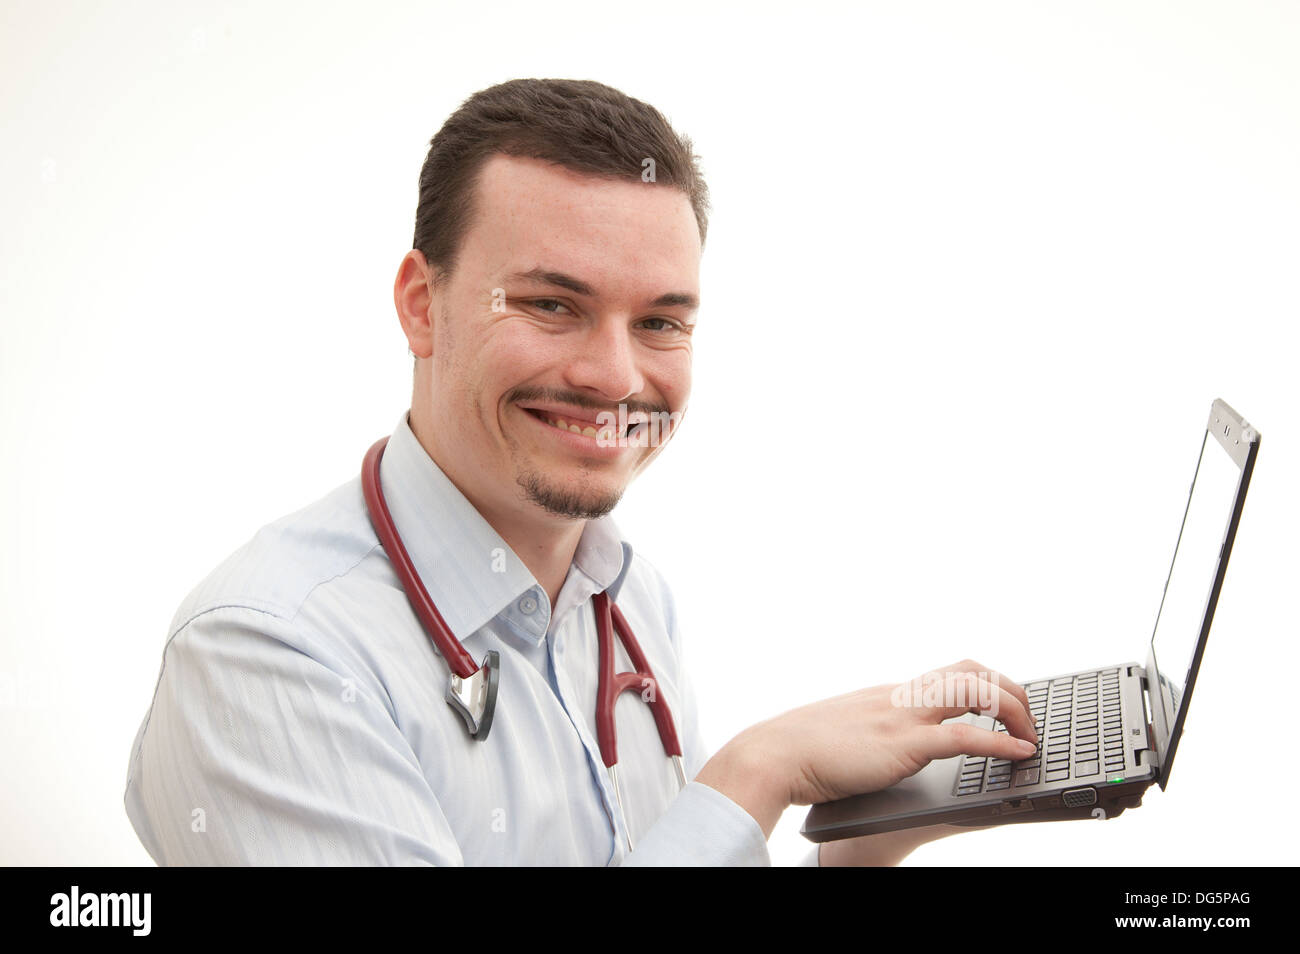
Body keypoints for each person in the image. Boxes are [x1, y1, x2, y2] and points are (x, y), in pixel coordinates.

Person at [123, 78, 1038, 866]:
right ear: (421, 305)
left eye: (662, 322)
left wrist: (858, 847)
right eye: (553, 304)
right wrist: (757, 773)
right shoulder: (266, 651)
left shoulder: (630, 604)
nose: (615, 376)